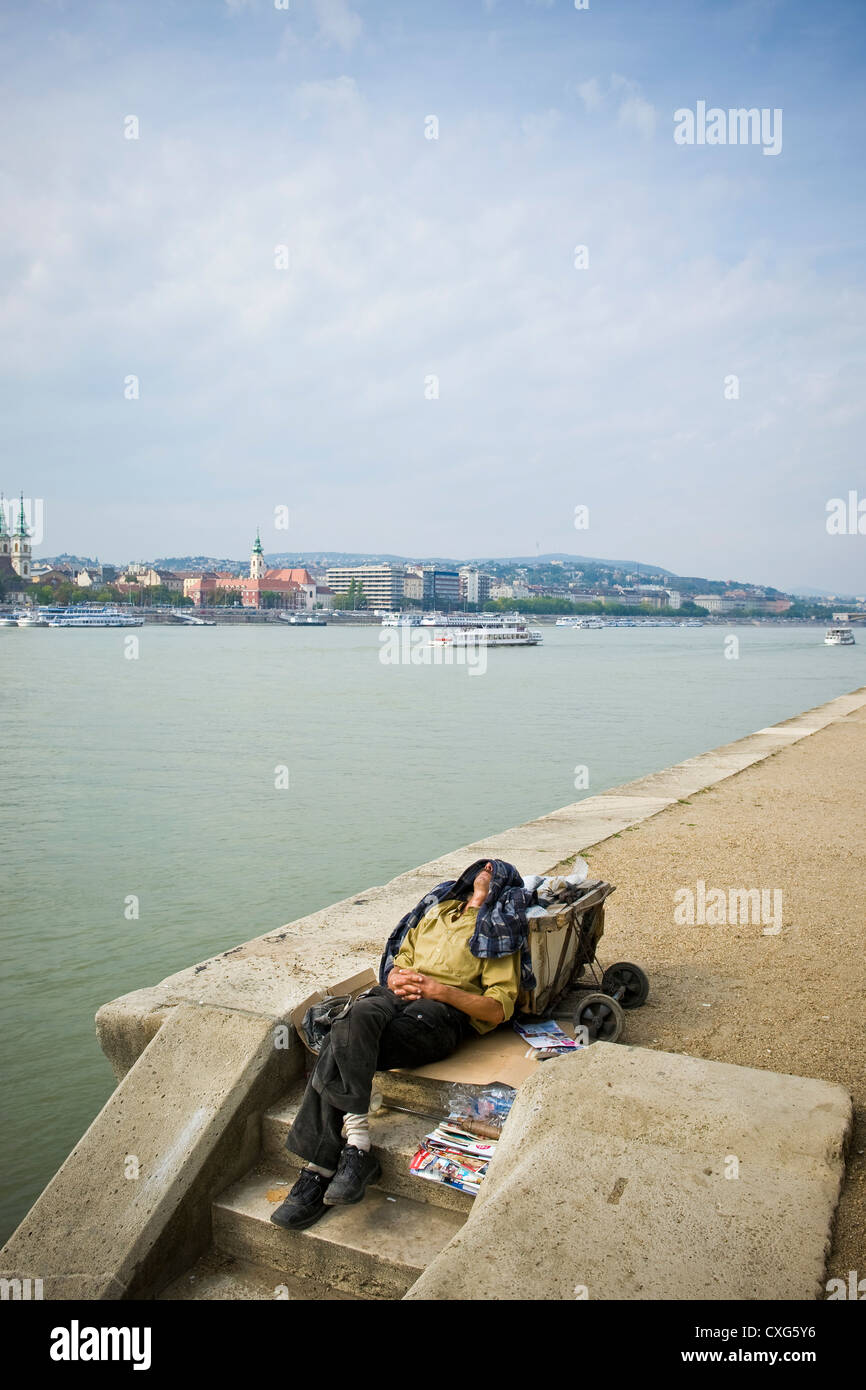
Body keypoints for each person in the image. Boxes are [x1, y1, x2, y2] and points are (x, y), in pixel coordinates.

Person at [271, 857, 531, 1231]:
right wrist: (394, 979)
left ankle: (319, 1167)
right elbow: (400, 960)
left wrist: (437, 989)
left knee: (340, 1038)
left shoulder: (496, 929)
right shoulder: (438, 911)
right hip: (393, 998)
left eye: (496, 870)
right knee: (356, 1015)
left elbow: (497, 1008)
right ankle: (356, 1147)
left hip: (438, 1012)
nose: (486, 868)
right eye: (482, 866)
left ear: (504, 887)